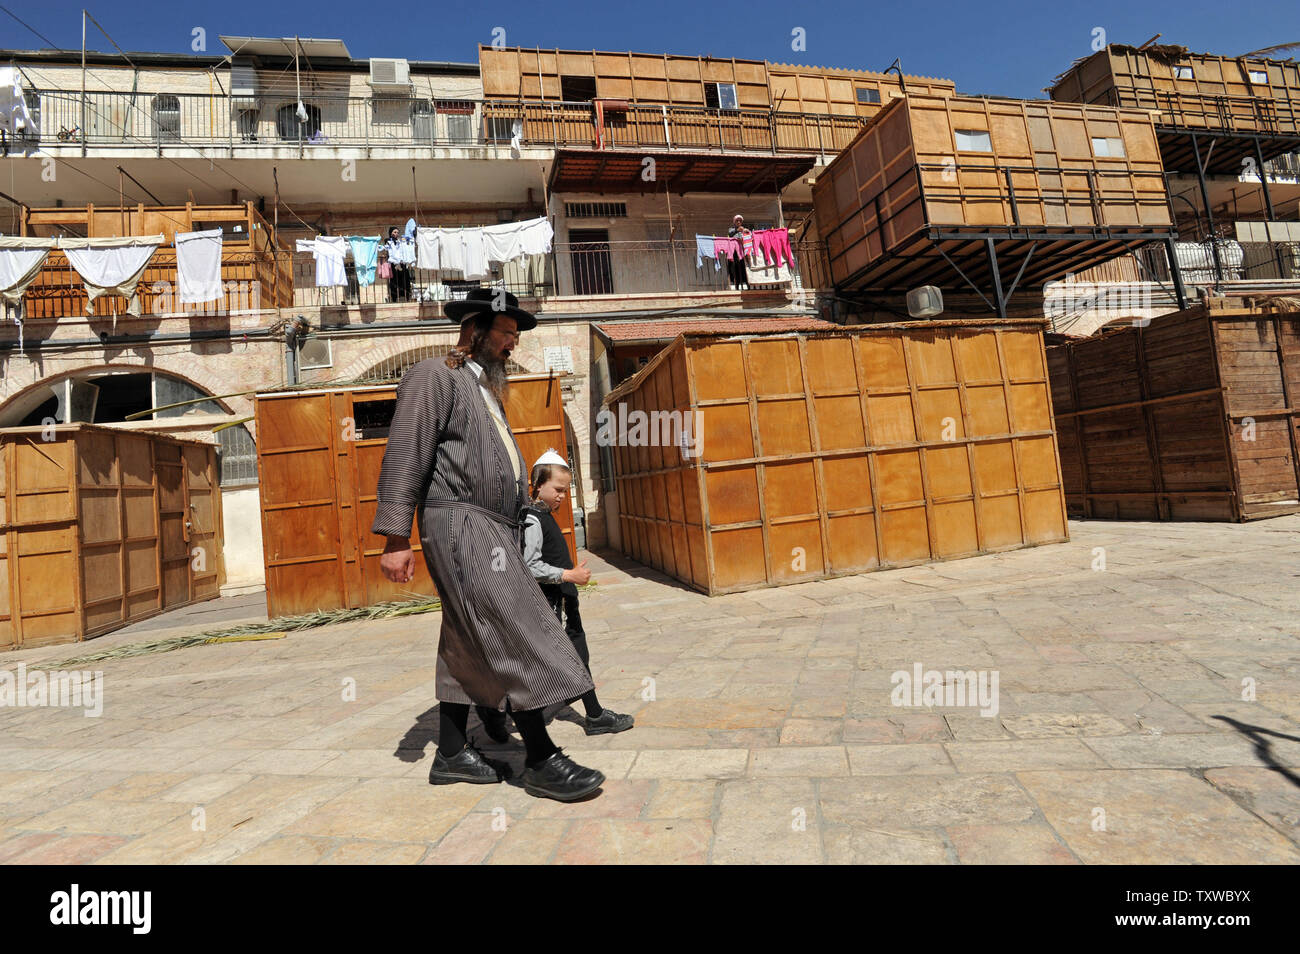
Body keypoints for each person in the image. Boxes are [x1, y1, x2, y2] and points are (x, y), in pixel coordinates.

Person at [372, 288, 605, 802]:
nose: (511, 347)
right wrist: (395, 536)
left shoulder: (484, 390)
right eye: (505, 335)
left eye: (515, 338)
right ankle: (541, 757)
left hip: (493, 526)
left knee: (465, 636)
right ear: (475, 331)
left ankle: (452, 752)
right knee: (517, 621)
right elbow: (405, 452)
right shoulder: (436, 377)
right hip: (458, 523)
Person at [522, 450, 634, 735]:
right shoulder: (533, 520)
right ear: (537, 486)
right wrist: (567, 574)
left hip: (565, 601)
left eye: (565, 490)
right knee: (572, 658)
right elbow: (530, 565)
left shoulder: (546, 517)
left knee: (577, 655)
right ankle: (594, 716)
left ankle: (564, 706)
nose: (562, 495)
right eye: (557, 489)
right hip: (552, 603)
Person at [384, 226, 412, 303]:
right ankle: (394, 297)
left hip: (401, 263)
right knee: (394, 280)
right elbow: (386, 248)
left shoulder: (400, 241)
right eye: (394, 232)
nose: (396, 234)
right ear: (391, 233)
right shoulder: (388, 241)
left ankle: (406, 295)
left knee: (405, 278)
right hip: (393, 264)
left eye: (397, 232)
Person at [727, 213, 750, 290]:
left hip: (743, 252)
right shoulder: (731, 229)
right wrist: (737, 230)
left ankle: (744, 283)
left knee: (743, 267)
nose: (739, 222)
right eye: (737, 221)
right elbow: (730, 234)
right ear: (734, 222)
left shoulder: (744, 229)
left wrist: (746, 231)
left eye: (740, 221)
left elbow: (749, 236)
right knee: (734, 267)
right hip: (734, 252)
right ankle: (735, 284)